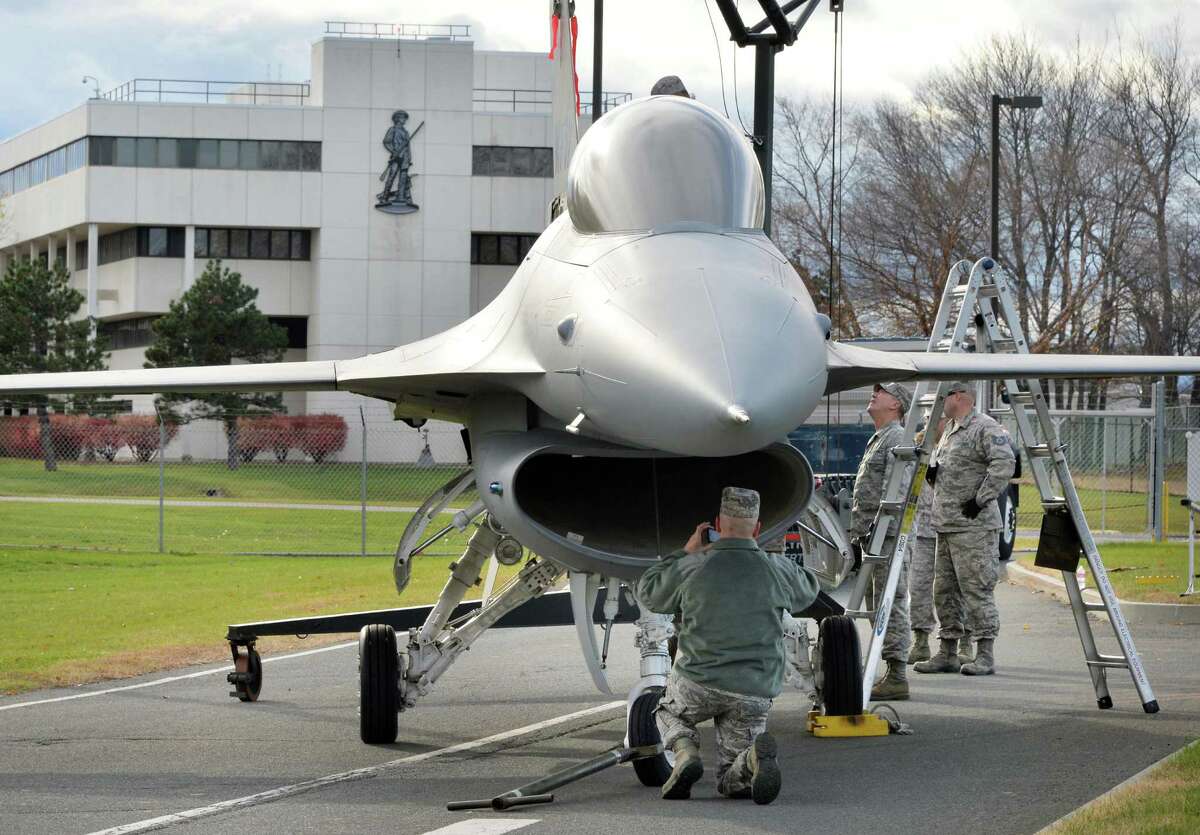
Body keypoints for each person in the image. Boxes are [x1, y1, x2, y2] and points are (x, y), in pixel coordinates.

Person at [637, 487, 820, 805]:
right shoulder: (775, 568)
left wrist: (686, 552)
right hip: (754, 690)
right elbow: (809, 589)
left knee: (665, 711)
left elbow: (649, 590)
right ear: (759, 528)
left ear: (717, 525)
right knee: (732, 783)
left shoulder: (695, 565)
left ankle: (685, 753)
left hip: (699, 682)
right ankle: (750, 761)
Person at [915, 381, 1015, 677]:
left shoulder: (984, 427)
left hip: (974, 526)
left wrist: (981, 498)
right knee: (944, 592)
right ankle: (947, 651)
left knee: (977, 589)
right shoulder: (950, 429)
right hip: (946, 525)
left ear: (958, 396)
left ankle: (984, 654)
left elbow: (1004, 463)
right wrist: (934, 475)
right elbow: (950, 469)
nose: (940, 403)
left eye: (943, 397)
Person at [850, 382, 913, 700]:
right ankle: (884, 668)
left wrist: (877, 528)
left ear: (896, 405)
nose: (874, 394)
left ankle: (898, 674)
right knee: (877, 606)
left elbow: (896, 492)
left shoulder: (898, 437)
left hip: (887, 537)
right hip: (873, 537)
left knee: (891, 602)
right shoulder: (882, 437)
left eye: (882, 392)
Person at [907, 417, 974, 664]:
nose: (931, 423)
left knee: (959, 588)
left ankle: (965, 641)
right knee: (919, 588)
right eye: (927, 419)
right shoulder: (919, 450)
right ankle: (921, 641)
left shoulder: (961, 444)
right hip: (924, 528)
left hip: (954, 527)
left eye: (938, 418)